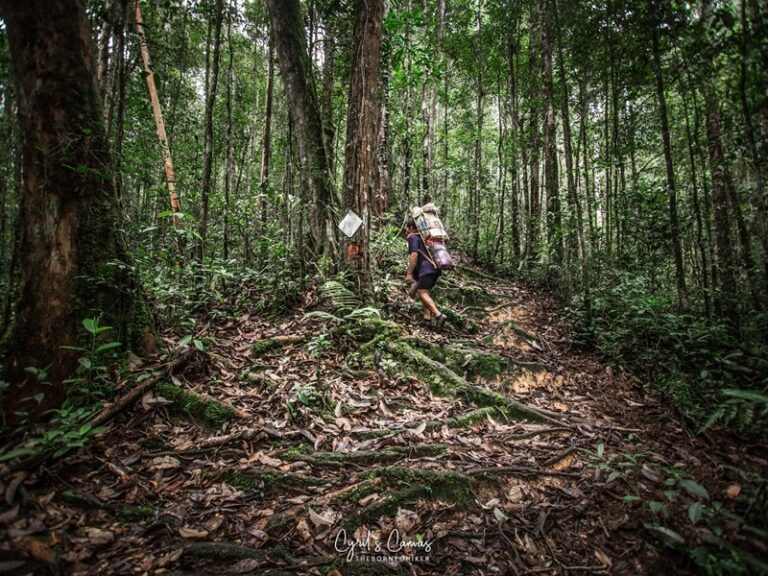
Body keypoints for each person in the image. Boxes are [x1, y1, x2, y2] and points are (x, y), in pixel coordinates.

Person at [405, 220, 448, 331]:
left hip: (426, 269)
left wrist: (409, 273)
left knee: (422, 293)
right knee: (424, 292)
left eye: (407, 228)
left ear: (411, 228)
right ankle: (427, 319)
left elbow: (414, 255)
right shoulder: (424, 238)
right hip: (435, 269)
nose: (406, 231)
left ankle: (439, 315)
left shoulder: (413, 237)